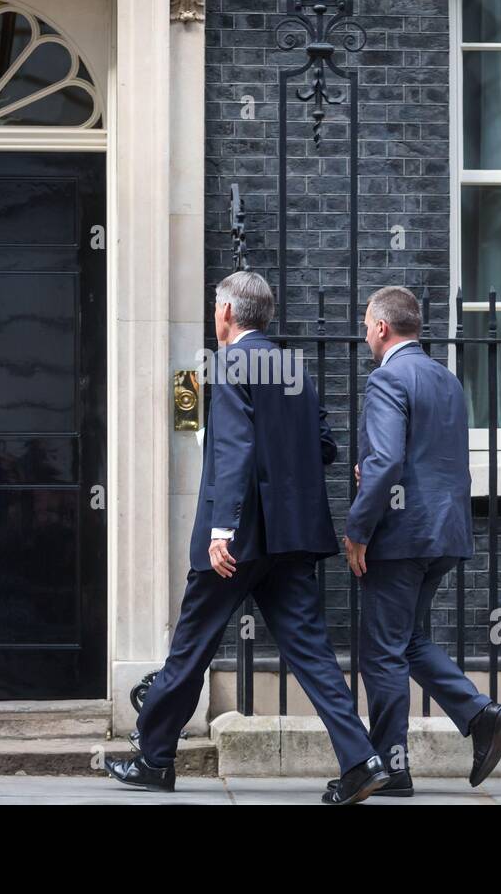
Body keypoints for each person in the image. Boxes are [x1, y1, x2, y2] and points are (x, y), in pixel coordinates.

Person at [105, 270, 389, 805]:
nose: (215, 316)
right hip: (293, 537)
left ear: (229, 314)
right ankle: (362, 759)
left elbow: (234, 450)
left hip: (237, 542)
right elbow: (324, 447)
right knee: (311, 653)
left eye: (216, 308)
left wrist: (221, 530)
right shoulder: (291, 365)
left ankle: (154, 759)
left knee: (191, 647)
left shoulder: (232, 363)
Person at [341, 285, 501, 797]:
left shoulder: (387, 379)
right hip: (446, 533)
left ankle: (392, 768)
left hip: (401, 538)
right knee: (407, 641)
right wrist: (376, 471)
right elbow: (422, 458)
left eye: (366, 324)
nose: (365, 333)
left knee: (380, 653)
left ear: (380, 327)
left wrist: (357, 528)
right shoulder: (446, 380)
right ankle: (480, 714)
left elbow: (388, 460)